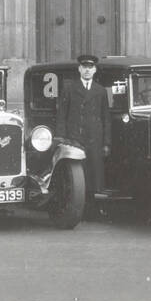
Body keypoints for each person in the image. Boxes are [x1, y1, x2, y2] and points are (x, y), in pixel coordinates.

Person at [56, 54, 110, 221]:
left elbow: (106, 117)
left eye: (90, 67)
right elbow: (62, 115)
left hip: (94, 138)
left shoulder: (100, 91)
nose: (87, 70)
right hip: (75, 137)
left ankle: (95, 208)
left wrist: (106, 142)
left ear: (94, 70)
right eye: (84, 67)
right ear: (79, 69)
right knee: (78, 174)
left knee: (95, 173)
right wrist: (62, 137)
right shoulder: (69, 88)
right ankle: (79, 208)